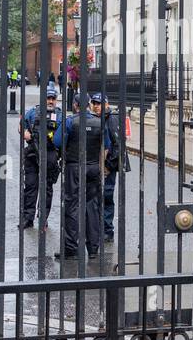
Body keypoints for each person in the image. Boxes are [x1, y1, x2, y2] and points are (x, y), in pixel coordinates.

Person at [54, 93, 110, 259]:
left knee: (72, 205)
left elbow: (57, 142)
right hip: (93, 167)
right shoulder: (100, 122)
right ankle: (93, 248)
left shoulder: (70, 121)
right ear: (88, 105)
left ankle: (71, 248)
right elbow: (106, 146)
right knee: (92, 206)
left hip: (74, 166)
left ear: (76, 105)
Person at [20, 82, 62, 229]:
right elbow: (22, 125)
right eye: (48, 98)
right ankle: (27, 218)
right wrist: (24, 132)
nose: (50, 101)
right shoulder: (33, 112)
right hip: (32, 153)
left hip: (50, 154)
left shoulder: (60, 115)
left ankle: (43, 218)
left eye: (53, 98)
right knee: (31, 186)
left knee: (47, 188)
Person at [100, 95, 130, 243]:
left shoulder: (112, 119)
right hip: (96, 165)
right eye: (94, 103)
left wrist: (107, 166)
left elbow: (118, 146)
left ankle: (107, 230)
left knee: (106, 195)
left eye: (100, 103)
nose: (97, 106)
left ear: (107, 104)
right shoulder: (96, 118)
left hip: (108, 166)